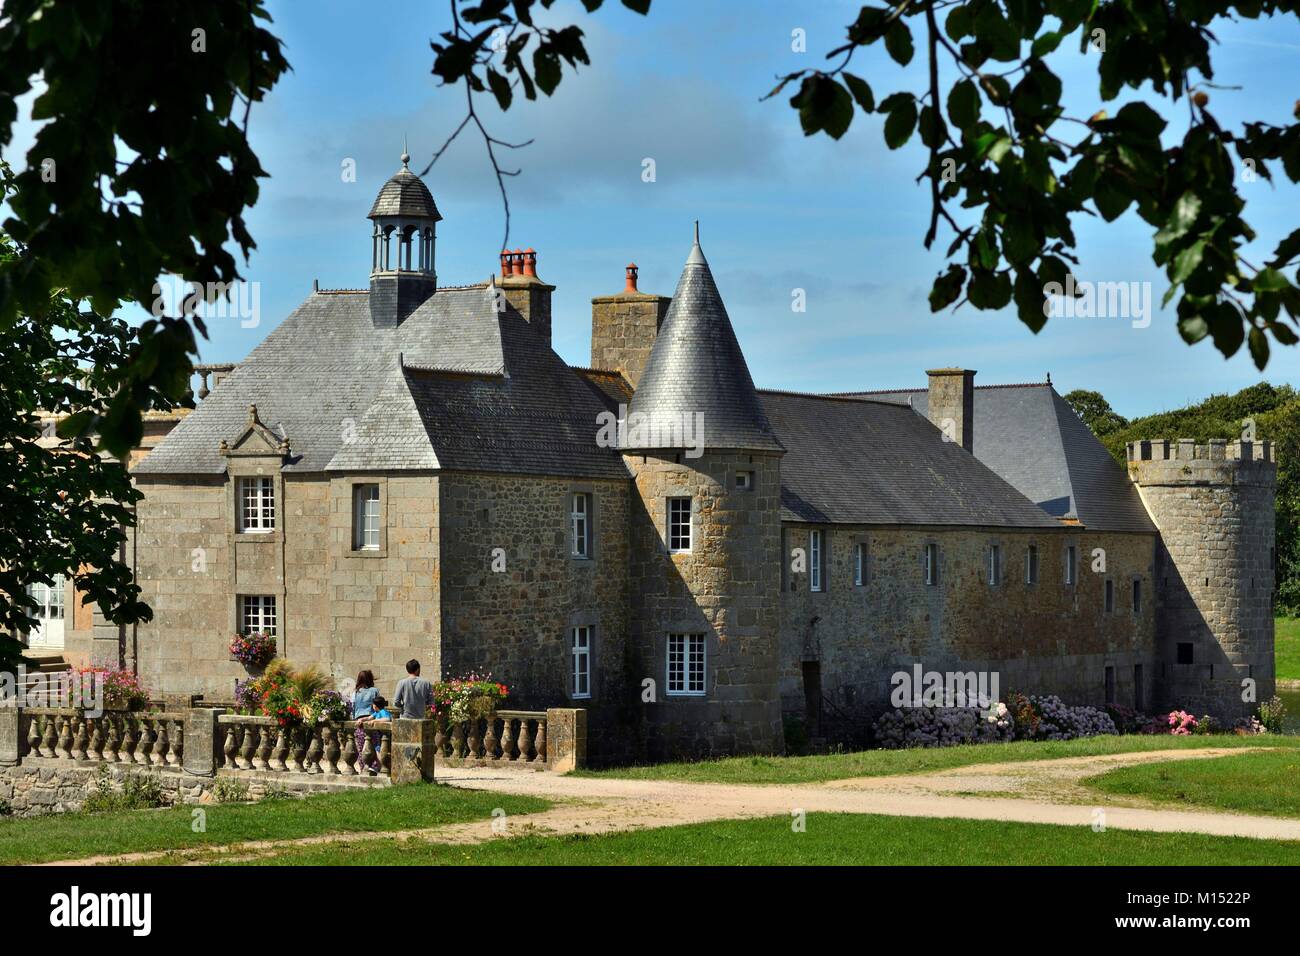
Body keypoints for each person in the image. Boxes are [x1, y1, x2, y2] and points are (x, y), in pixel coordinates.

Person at [352, 671, 378, 771]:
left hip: (359, 720)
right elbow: (378, 706)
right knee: (375, 745)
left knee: (361, 746)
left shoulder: (355, 692)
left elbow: (352, 707)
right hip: (371, 720)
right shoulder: (375, 691)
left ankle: (363, 767)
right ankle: (374, 766)